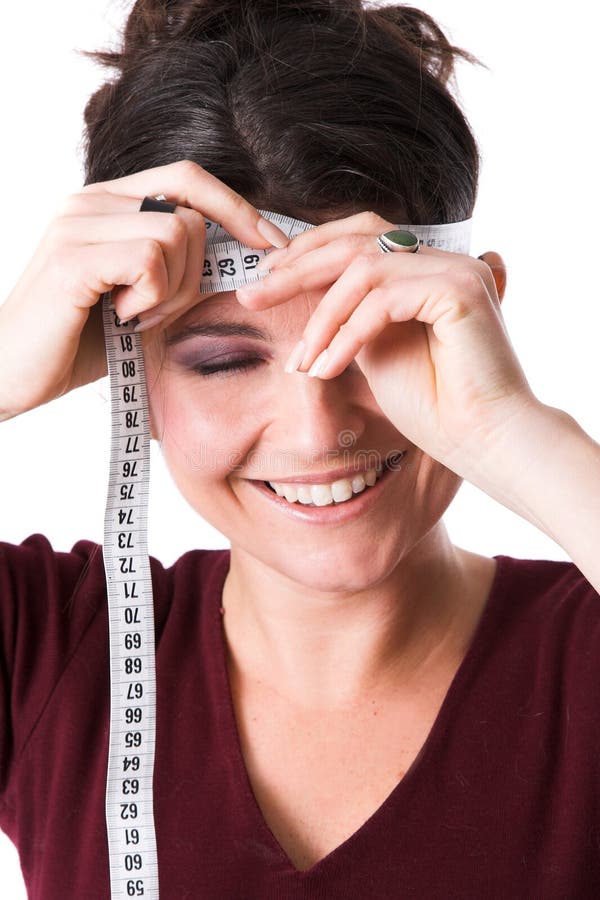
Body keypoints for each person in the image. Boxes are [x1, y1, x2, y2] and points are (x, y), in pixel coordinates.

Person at [1, 1, 600, 897]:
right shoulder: (47, 651)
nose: (319, 430)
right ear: (130, 375)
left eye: (367, 331)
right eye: (223, 360)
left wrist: (514, 430)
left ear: (479, 318)